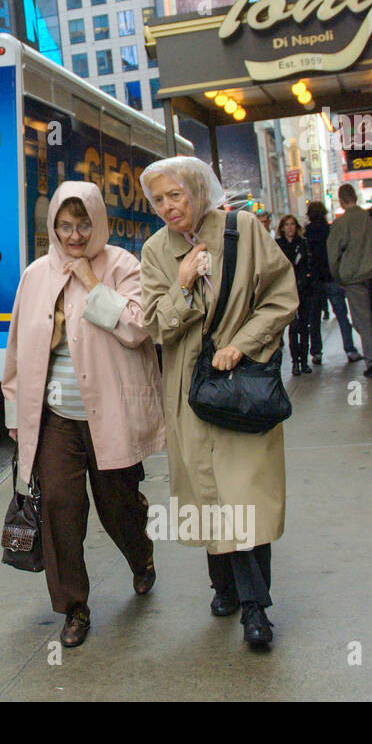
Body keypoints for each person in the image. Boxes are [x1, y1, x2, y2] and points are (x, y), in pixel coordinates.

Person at [139, 157, 297, 647]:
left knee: (244, 493)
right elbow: (154, 324)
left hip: (243, 384)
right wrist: (183, 281)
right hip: (189, 392)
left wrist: (241, 344)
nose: (168, 207)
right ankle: (224, 586)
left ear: (197, 190)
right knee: (209, 492)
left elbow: (281, 296)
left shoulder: (243, 229)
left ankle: (255, 607)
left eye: (176, 195)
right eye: (159, 200)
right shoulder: (154, 250)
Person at [3, 182, 165, 649]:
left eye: (83, 224)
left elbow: (139, 327)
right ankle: (74, 608)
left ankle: (141, 556)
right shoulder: (36, 275)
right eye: (64, 226)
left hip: (109, 415)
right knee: (59, 510)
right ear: (52, 225)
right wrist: (15, 411)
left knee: (118, 506)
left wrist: (92, 284)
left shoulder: (122, 265)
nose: (74, 235)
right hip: (54, 417)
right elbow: (16, 349)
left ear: (98, 222)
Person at [327, 184, 372, 378]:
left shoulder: (340, 224)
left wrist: (338, 278)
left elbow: (333, 256)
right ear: (356, 197)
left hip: (354, 278)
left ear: (341, 200)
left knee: (363, 321)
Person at [303, 201, 361, 364]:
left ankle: (316, 352)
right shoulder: (330, 230)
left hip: (314, 280)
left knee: (314, 319)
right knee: (342, 315)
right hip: (331, 277)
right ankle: (350, 349)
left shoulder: (306, 233)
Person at [275, 214, 313, 375]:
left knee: (304, 326)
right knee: (293, 326)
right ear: (282, 228)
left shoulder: (302, 244)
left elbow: (308, 264)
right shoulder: (278, 245)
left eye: (292, 224)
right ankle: (295, 362)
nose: (290, 228)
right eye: (287, 225)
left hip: (303, 288)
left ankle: (304, 360)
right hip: (287, 290)